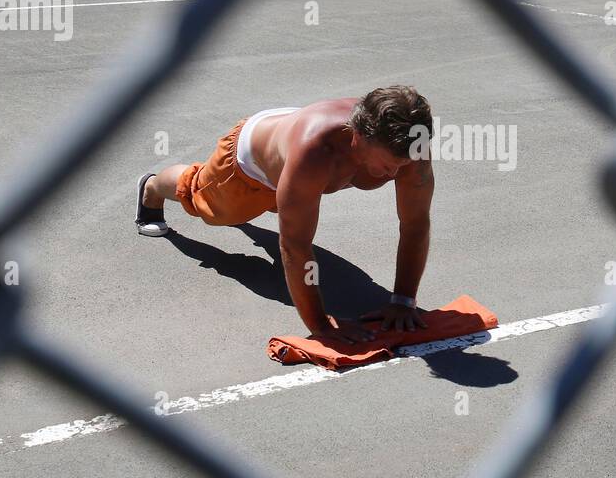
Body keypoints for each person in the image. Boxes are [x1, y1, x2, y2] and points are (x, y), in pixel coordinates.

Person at [136, 87, 435, 345]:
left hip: (295, 161)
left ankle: (273, 206)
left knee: (292, 207)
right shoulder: (316, 152)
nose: (396, 174)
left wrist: (404, 301)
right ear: (358, 136)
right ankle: (152, 186)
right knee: (206, 204)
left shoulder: (409, 147)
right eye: (387, 165)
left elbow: (415, 223)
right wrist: (320, 326)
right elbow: (295, 246)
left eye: (401, 164)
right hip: (247, 168)